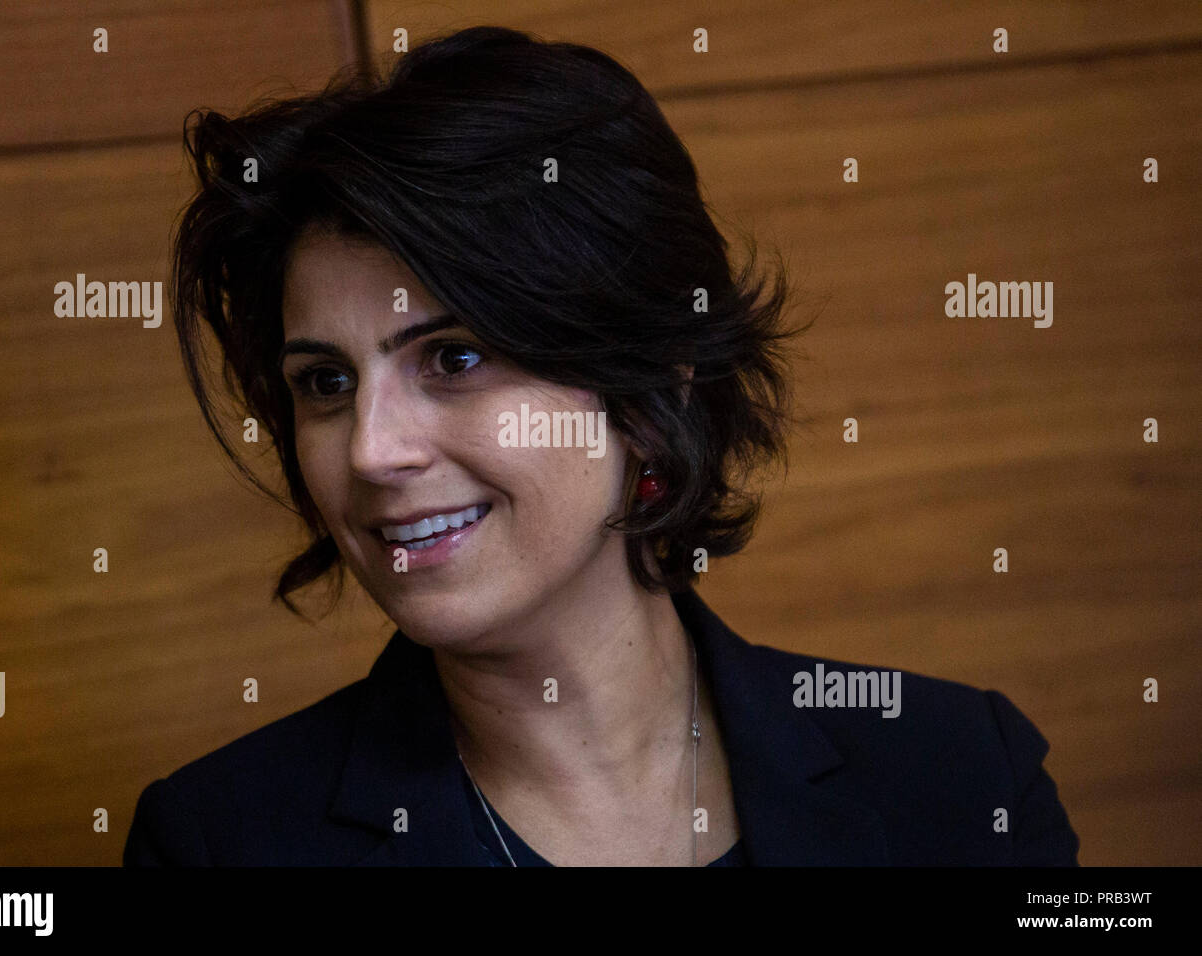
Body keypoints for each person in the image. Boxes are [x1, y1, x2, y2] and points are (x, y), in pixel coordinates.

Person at [124, 26, 1079, 866]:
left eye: (453, 358)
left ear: (654, 383)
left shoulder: (960, 776)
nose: (371, 453)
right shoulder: (222, 842)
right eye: (326, 384)